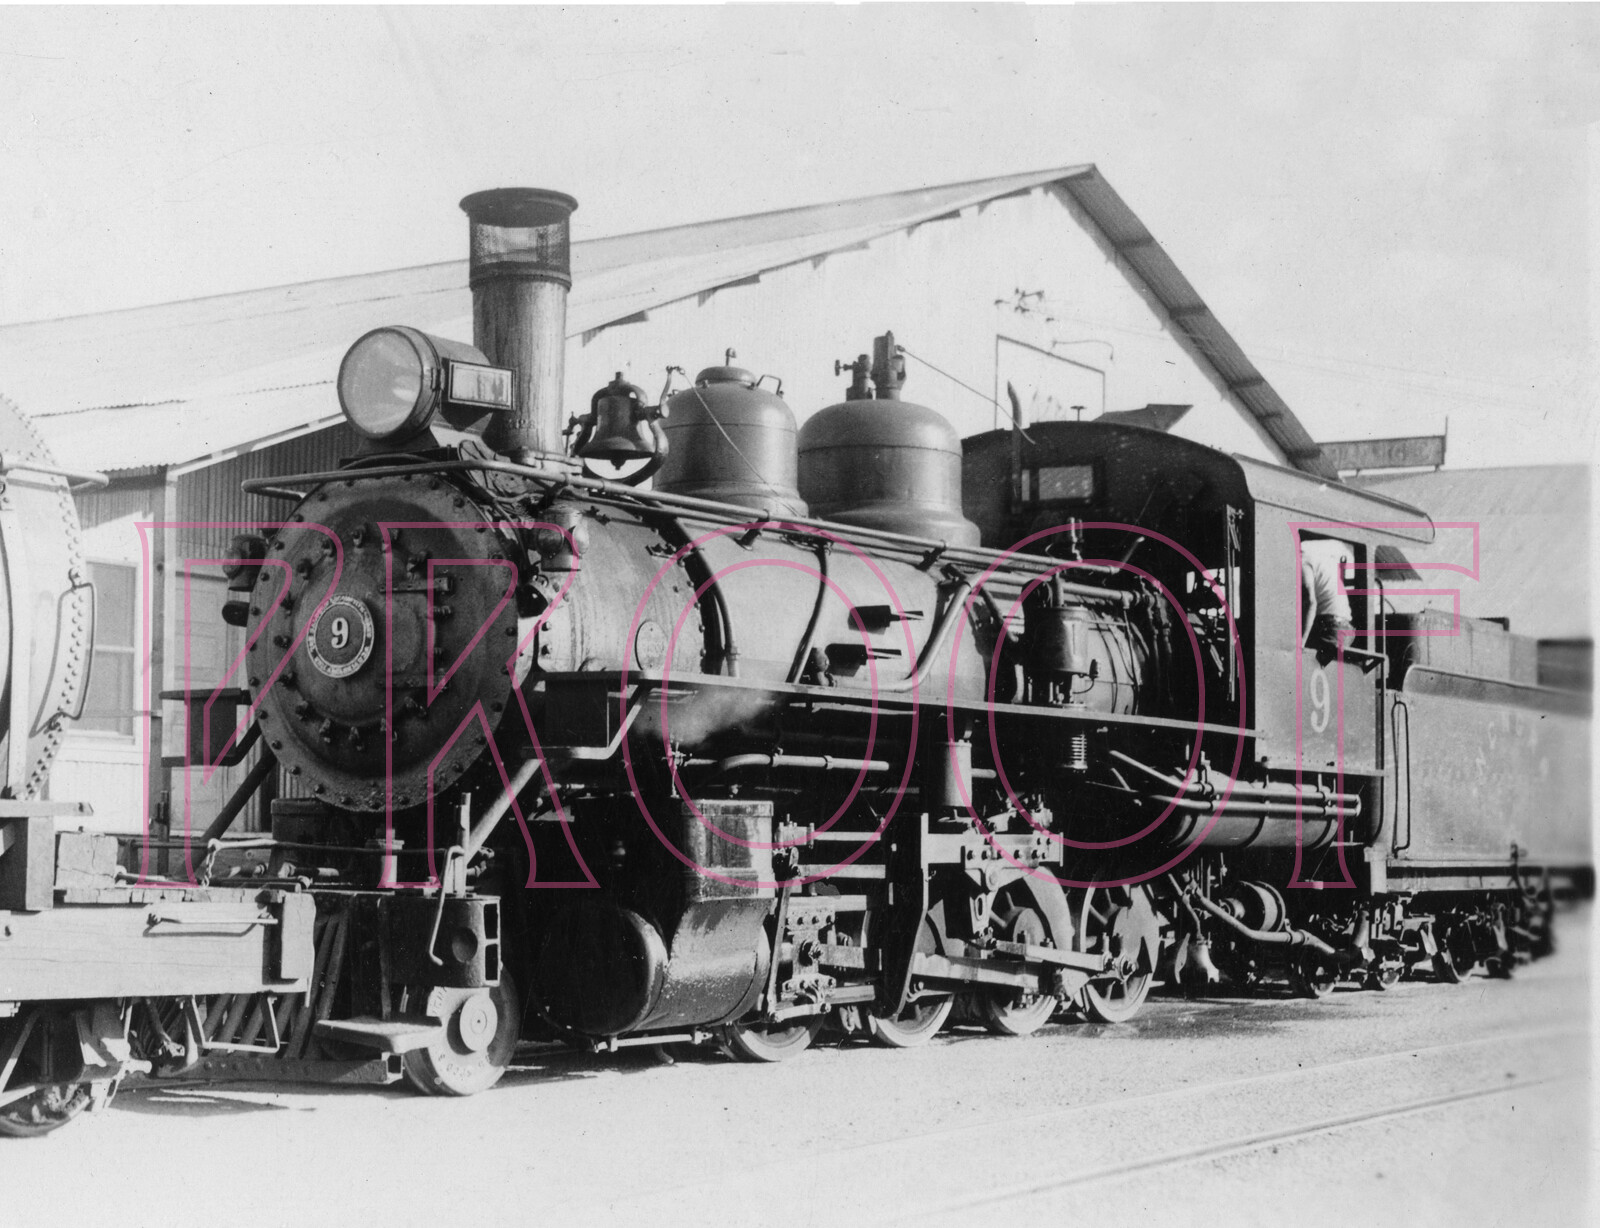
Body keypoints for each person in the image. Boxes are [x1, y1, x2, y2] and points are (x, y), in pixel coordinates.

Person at [1300, 537, 1353, 654]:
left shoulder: (1301, 560)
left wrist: (1301, 643)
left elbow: (1310, 602)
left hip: (1331, 627)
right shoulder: (1314, 555)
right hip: (1341, 626)